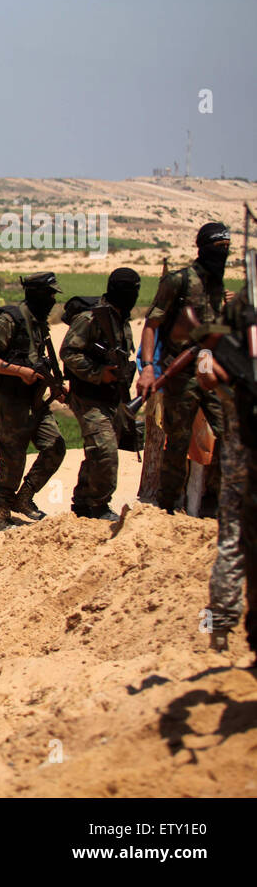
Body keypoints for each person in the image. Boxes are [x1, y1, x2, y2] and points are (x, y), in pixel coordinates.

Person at [137, 223, 232, 512]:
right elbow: (152, 325)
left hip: (208, 366)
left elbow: (213, 328)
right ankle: (167, 508)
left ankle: (221, 503)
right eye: (218, 248)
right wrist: (149, 368)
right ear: (202, 248)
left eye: (227, 248)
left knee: (230, 433)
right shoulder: (178, 282)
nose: (223, 254)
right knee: (177, 442)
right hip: (179, 371)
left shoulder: (217, 285)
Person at [0, 272, 68, 528]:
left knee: (54, 446)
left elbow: (38, 361)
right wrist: (20, 371)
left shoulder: (39, 323)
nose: (52, 300)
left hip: (36, 399)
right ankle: (3, 511)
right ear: (37, 294)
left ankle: (24, 497)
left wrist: (56, 387)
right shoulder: (9, 320)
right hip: (11, 400)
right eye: (49, 294)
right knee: (13, 456)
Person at [195, 271, 255, 655]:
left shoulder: (231, 350)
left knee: (232, 541)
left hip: (241, 456)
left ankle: (216, 629)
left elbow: (205, 370)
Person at [59, 268, 141, 520]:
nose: (134, 295)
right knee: (105, 451)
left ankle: (83, 502)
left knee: (98, 451)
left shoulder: (120, 318)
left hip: (113, 396)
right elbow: (68, 353)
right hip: (88, 396)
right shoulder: (91, 318)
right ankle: (99, 505)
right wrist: (98, 372)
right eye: (130, 290)